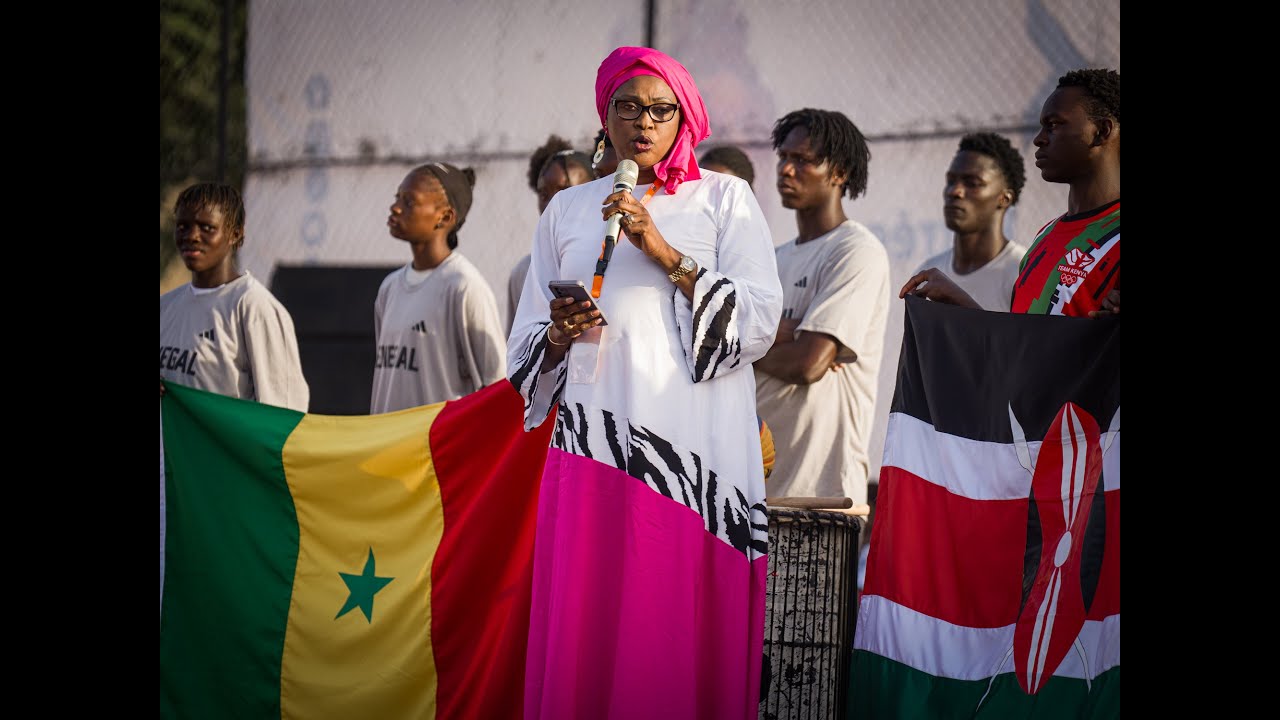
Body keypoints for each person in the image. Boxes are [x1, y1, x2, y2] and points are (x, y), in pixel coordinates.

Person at [507, 46, 783, 718]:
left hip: (693, 452)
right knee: (590, 612)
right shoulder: (569, 210)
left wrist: (666, 255)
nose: (643, 121)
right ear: (605, 116)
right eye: (626, 107)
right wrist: (559, 333)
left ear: (685, 117)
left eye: (660, 109)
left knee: (674, 622)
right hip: (594, 447)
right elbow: (523, 345)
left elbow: (759, 319)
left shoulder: (725, 197)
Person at [753, 108, 890, 508]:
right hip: (756, 492)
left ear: (840, 173)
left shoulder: (856, 251)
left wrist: (752, 343)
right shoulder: (772, 259)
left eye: (803, 160)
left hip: (821, 495)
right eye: (784, 157)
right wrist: (778, 336)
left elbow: (809, 364)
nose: (786, 169)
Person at [902, 68, 1120, 317]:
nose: (1039, 139)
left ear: (1102, 131)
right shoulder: (1046, 236)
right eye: (1041, 127)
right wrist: (960, 304)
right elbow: (1019, 347)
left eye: (1054, 125)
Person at [159, 182, 309, 412]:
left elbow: (284, 414)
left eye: (206, 227)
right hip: (172, 448)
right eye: (183, 226)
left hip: (219, 449)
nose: (192, 236)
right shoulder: (166, 306)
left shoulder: (253, 307)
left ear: (235, 233)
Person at [370, 162, 506, 414]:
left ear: (444, 217)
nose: (395, 207)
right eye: (397, 198)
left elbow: (496, 385)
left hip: (436, 449)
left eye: (409, 201)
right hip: (388, 449)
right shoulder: (389, 288)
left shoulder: (463, 286)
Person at [915, 132, 1028, 312]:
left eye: (972, 183)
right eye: (951, 181)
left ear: (1004, 199)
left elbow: (1020, 340)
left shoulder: (1022, 273)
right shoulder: (929, 271)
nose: (955, 191)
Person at [507, 136, 596, 334]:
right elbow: (518, 345)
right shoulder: (523, 272)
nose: (552, 205)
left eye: (565, 192)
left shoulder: (609, 259)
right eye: (544, 194)